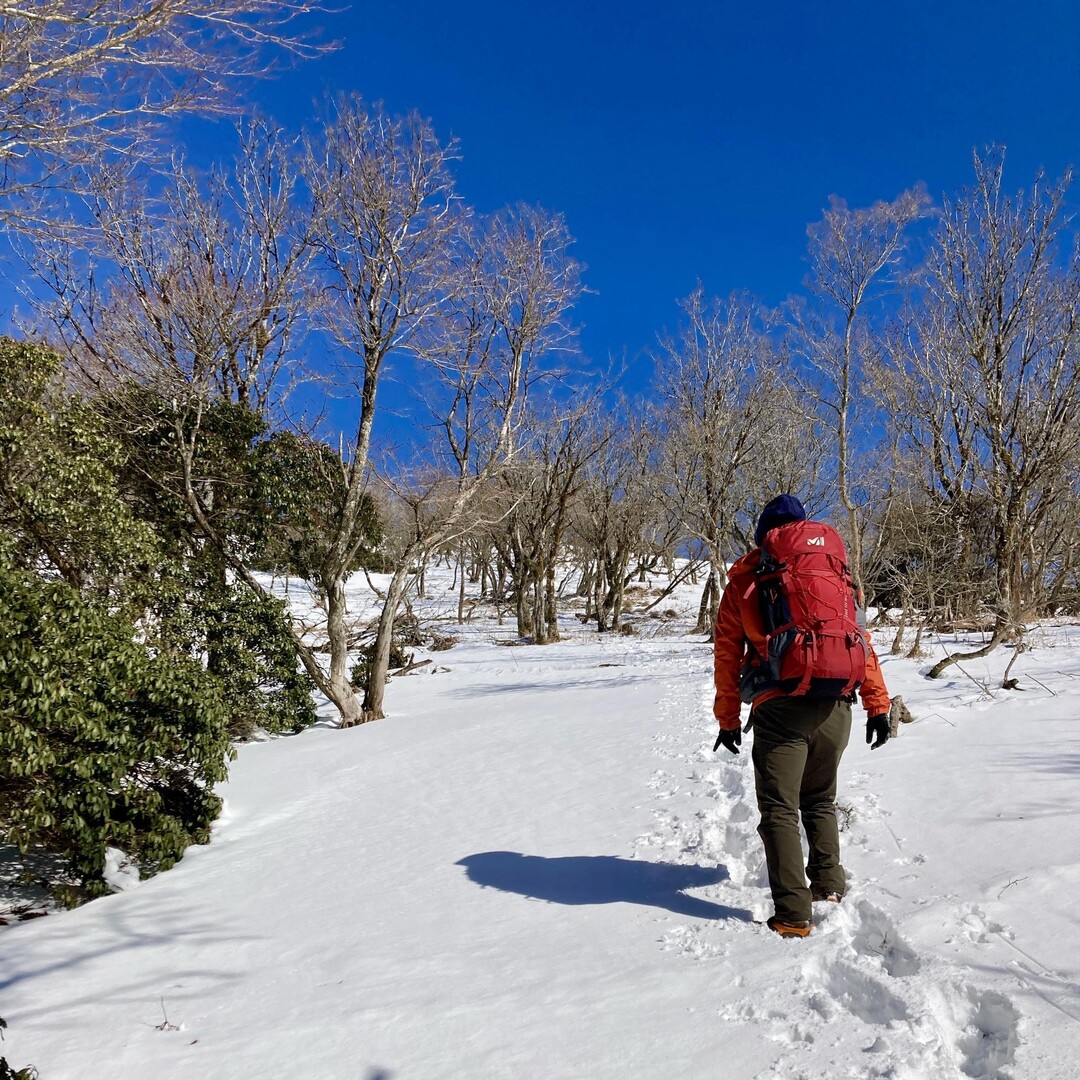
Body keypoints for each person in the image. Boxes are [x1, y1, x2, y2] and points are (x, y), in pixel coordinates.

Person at [712, 494, 892, 939]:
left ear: (765, 536)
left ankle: (792, 915)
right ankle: (828, 885)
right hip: (837, 707)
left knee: (778, 809)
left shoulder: (746, 582)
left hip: (780, 707)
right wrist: (879, 705)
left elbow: (727, 655)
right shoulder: (837, 578)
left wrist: (728, 718)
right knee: (819, 799)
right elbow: (861, 645)